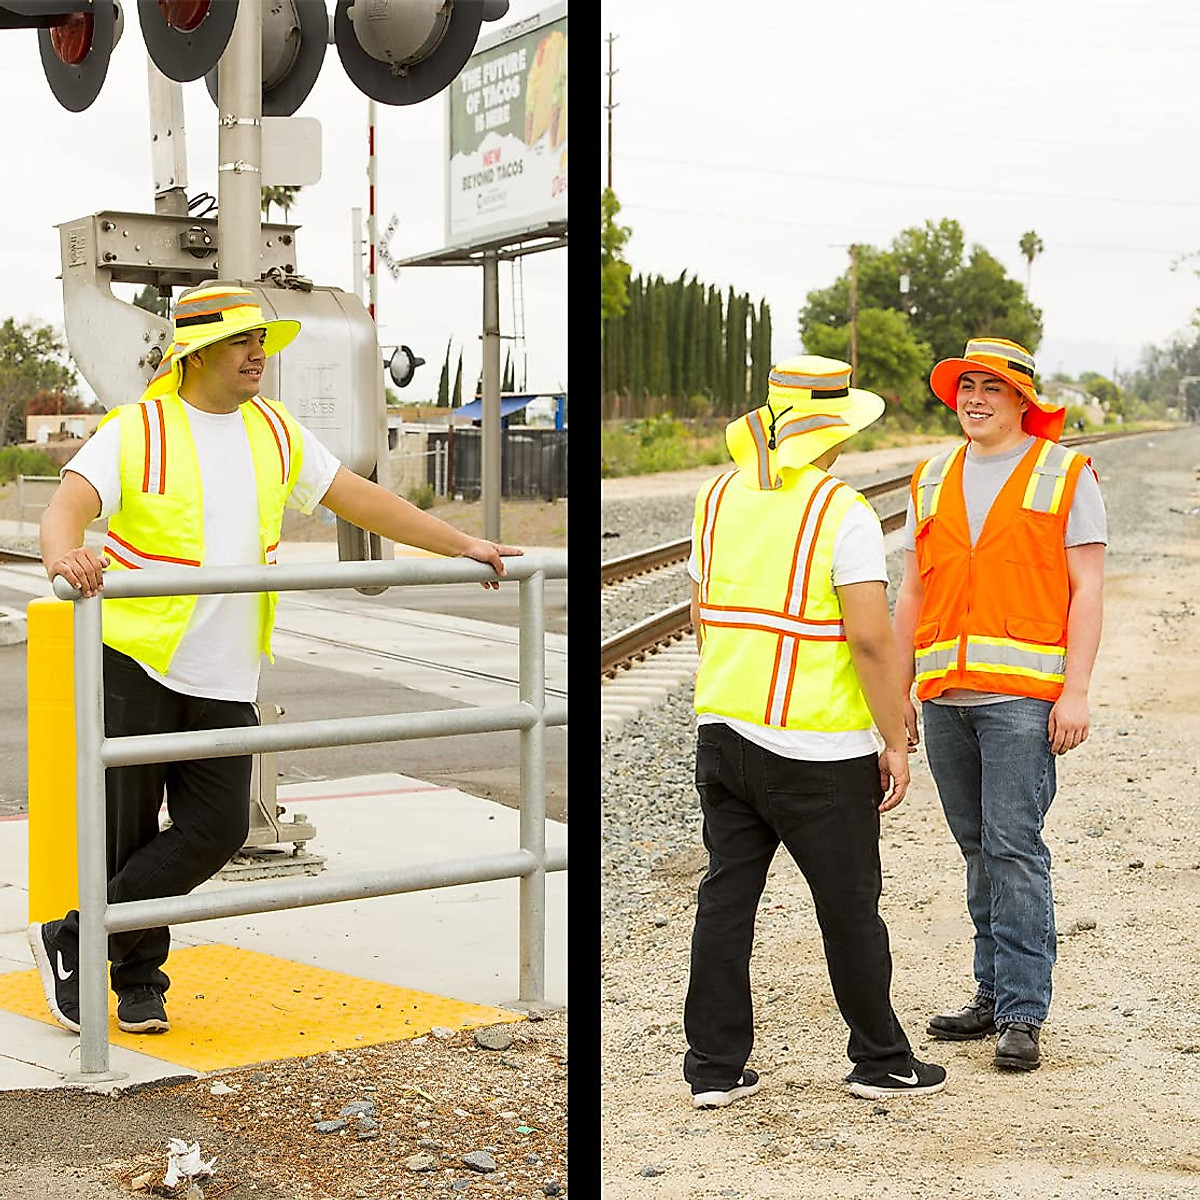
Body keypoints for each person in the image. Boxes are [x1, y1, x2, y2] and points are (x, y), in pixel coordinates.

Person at [31, 283, 521, 1036]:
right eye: (241, 341)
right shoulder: (139, 429)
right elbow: (68, 504)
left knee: (218, 829)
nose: (259, 353)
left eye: (261, 339)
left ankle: (74, 936)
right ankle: (138, 981)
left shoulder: (276, 430)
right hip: (136, 660)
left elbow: (360, 499)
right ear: (196, 353)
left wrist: (463, 545)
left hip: (226, 670)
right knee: (124, 836)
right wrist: (65, 556)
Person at [682, 355, 947, 1108]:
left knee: (726, 901)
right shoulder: (843, 514)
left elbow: (704, 619)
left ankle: (714, 1069)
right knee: (849, 906)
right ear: (832, 432)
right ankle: (881, 1061)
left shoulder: (715, 497)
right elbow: (870, 640)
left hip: (725, 732)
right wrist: (893, 735)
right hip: (818, 751)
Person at [893, 337, 1106, 1072]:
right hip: (947, 695)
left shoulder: (1065, 474)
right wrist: (899, 690)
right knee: (978, 850)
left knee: (1014, 848)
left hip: (1020, 700)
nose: (974, 398)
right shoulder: (931, 475)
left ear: (1023, 399)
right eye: (965, 386)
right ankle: (989, 993)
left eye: (991, 386)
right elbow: (914, 592)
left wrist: (1074, 690)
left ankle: (1022, 1012)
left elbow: (1088, 593)